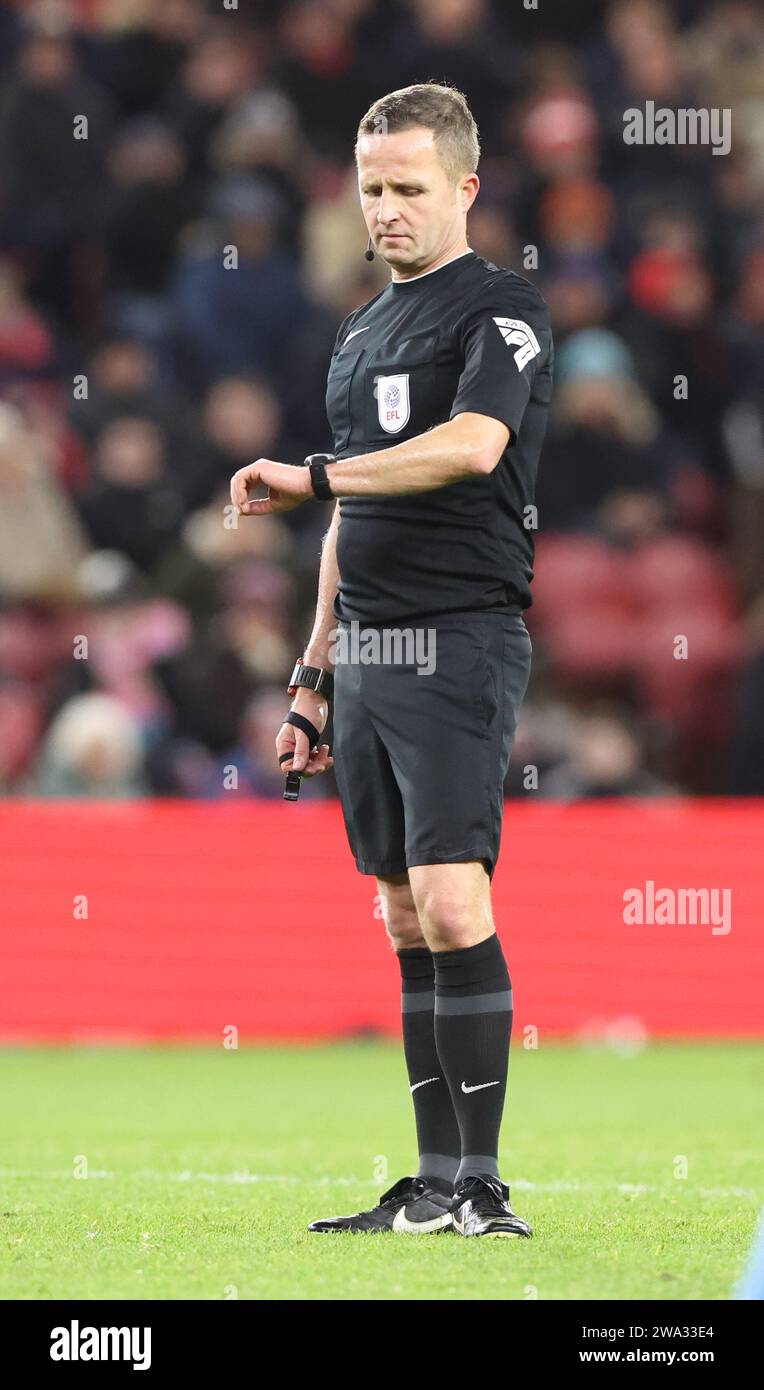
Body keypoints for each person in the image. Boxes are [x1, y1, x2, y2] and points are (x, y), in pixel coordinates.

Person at [230, 82, 553, 1238]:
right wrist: (311, 678)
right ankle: (429, 1182)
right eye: (370, 188)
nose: (385, 210)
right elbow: (344, 525)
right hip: (363, 651)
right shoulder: (360, 331)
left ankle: (485, 1182)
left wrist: (313, 472)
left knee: (458, 900)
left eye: (409, 187)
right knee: (406, 917)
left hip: (458, 633)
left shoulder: (500, 310)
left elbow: (472, 448)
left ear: (464, 187)